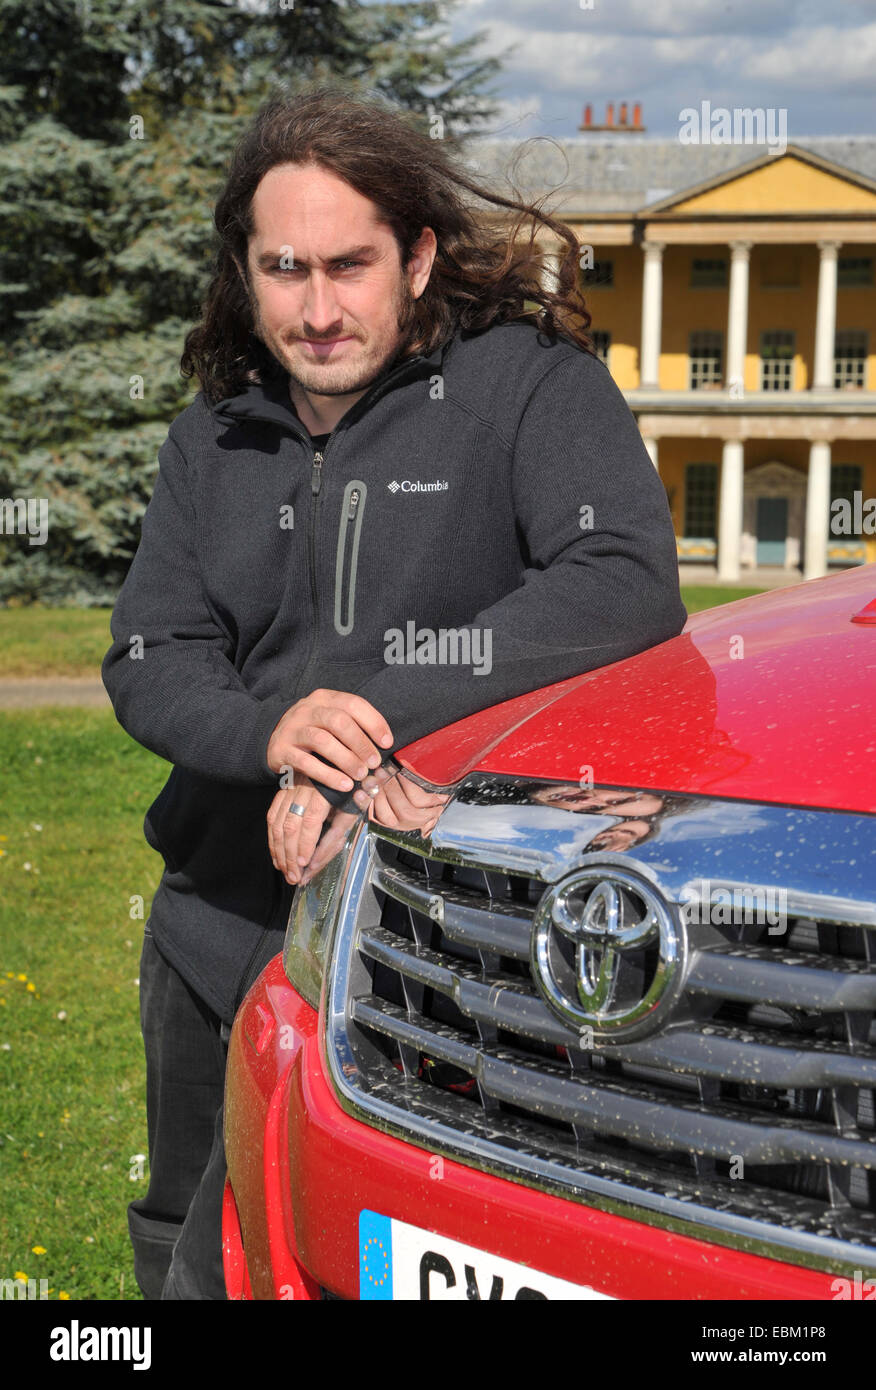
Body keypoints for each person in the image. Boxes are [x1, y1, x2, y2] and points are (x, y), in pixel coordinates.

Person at [101, 82, 687, 1300]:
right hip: (214, 924)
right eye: (284, 268)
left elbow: (621, 579)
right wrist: (276, 734)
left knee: (381, 1258)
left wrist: (365, 714)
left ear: (418, 256)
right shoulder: (212, 435)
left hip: (438, 940)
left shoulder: (528, 386)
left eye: (350, 264)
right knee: (181, 1244)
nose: (317, 310)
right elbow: (149, 655)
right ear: (246, 270)